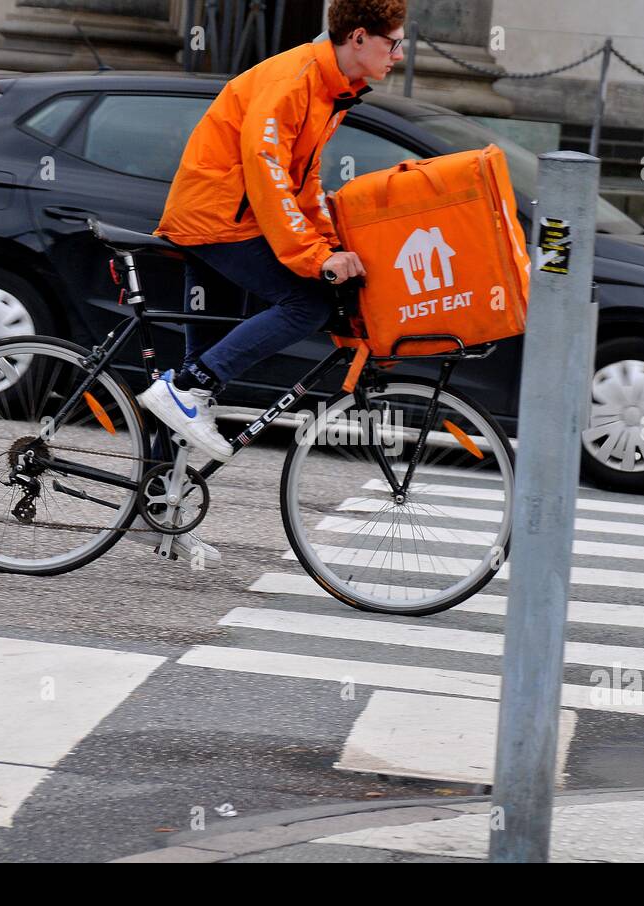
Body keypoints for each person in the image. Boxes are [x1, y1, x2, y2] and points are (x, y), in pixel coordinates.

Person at [133, 0, 407, 567]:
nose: (399, 54)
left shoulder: (331, 91)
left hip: (230, 219)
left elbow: (304, 185)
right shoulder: (294, 81)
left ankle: (161, 501)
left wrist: (330, 244)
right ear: (360, 38)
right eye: (394, 43)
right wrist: (314, 260)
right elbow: (267, 172)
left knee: (201, 360)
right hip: (219, 220)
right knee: (305, 303)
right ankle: (187, 389)